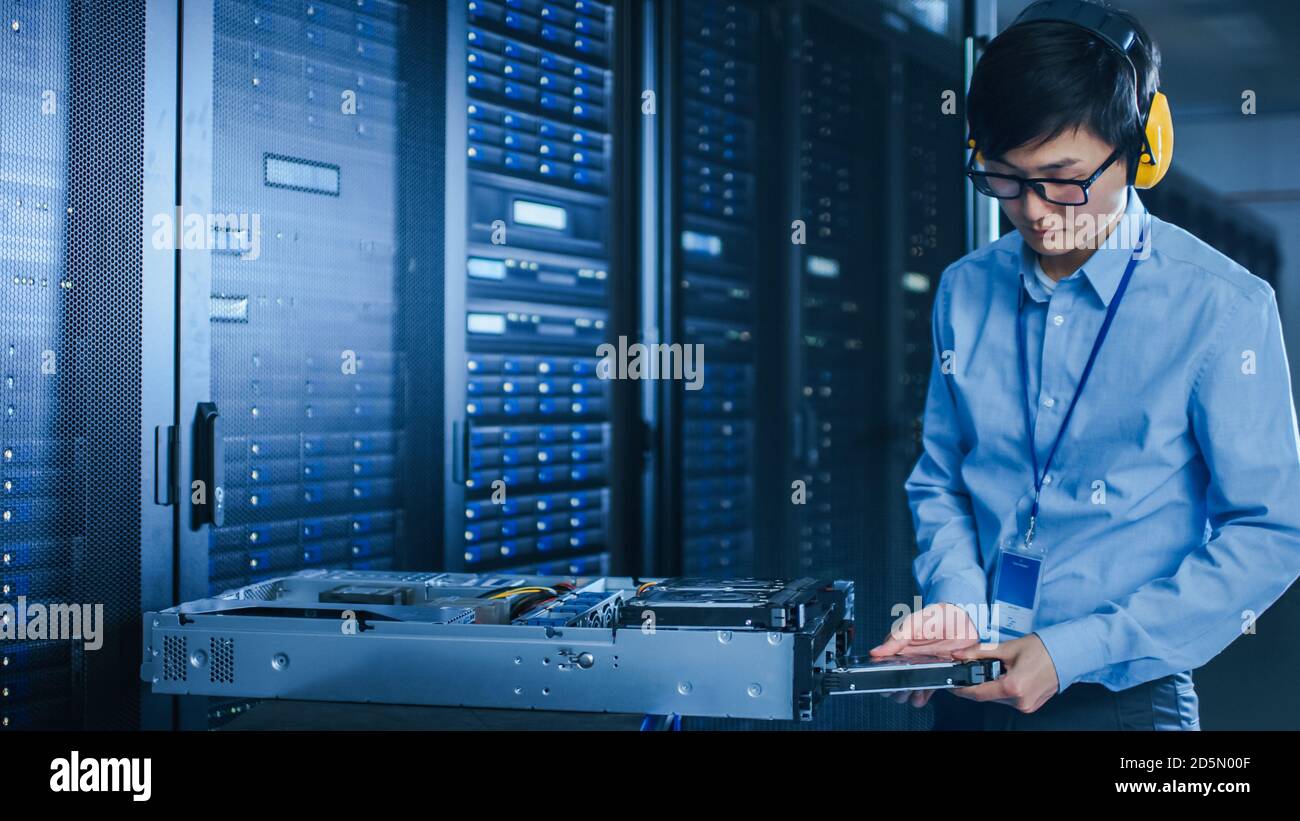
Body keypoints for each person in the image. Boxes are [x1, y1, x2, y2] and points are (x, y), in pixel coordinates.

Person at [869, 0, 1300, 730]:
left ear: (1139, 148)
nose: (1035, 211)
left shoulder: (1222, 307)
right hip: (972, 689)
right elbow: (941, 477)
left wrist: (1074, 649)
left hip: (1125, 703)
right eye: (1004, 180)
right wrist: (955, 606)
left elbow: (1270, 535)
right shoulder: (965, 290)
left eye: (1061, 179)